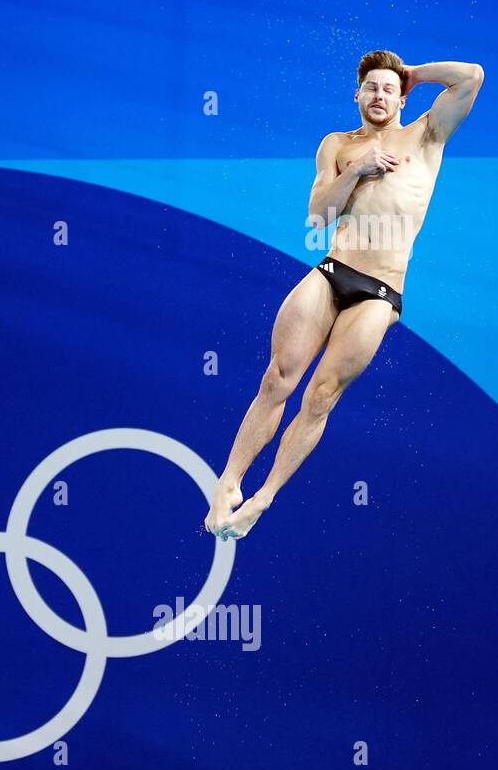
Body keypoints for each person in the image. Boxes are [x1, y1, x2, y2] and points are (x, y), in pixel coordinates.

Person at [204, 50, 483, 540]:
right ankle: (228, 480)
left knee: (321, 395)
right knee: (277, 379)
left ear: (401, 97)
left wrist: (410, 75)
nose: (379, 96)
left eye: (388, 89)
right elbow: (317, 216)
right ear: (355, 95)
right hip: (333, 272)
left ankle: (263, 497)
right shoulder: (337, 144)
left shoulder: (426, 134)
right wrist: (356, 170)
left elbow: (471, 77)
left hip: (379, 291)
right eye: (371, 87)